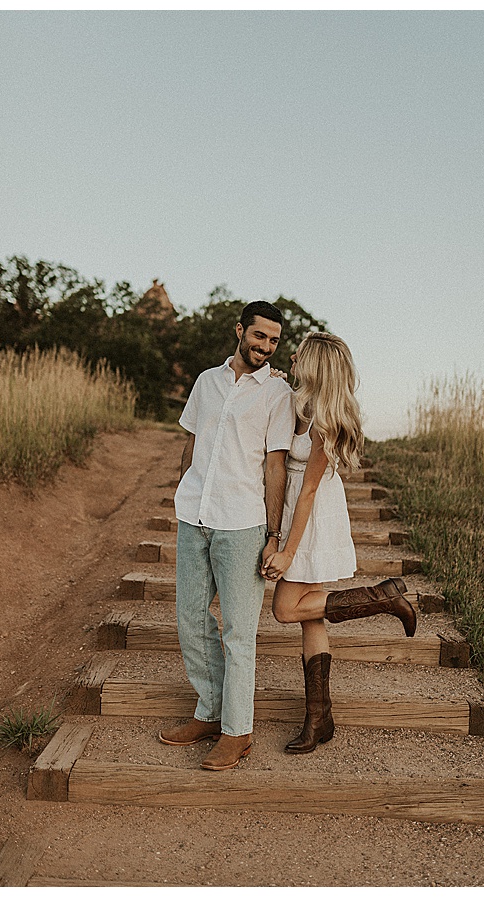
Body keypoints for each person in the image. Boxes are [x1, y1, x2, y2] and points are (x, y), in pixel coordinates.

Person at [262, 331, 415, 754]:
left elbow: (307, 491)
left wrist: (287, 549)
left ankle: (380, 599)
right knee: (310, 618)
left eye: (300, 354)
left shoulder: (325, 422)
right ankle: (319, 719)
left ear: (315, 365)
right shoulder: (298, 402)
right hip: (299, 508)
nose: (292, 355)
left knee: (284, 609)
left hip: (309, 518)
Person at [158, 301, 295, 771]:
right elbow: (191, 443)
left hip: (243, 523)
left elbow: (276, 466)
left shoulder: (278, 394)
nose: (266, 347)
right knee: (190, 619)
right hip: (194, 514)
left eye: (274, 341)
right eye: (259, 336)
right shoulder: (206, 382)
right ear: (240, 331)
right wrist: (184, 491)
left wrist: (274, 536)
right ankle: (210, 711)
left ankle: (238, 732)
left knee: (239, 633)